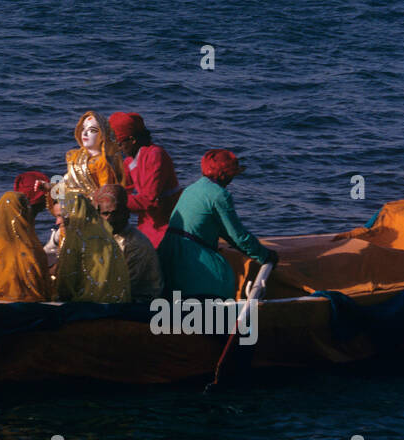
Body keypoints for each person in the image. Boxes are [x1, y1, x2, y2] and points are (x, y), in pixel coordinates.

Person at [160, 149, 279, 299]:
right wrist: (265, 255)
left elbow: (224, 231)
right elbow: (238, 236)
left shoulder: (191, 189)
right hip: (190, 257)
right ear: (224, 174)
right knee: (222, 280)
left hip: (168, 253)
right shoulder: (219, 195)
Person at [109, 112, 181, 249]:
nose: (118, 149)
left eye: (119, 144)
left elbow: (149, 201)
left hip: (165, 224)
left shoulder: (155, 155)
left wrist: (115, 201)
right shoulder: (130, 160)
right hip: (147, 223)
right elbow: (122, 188)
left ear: (132, 140)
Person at [54, 191, 132, 303]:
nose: (57, 222)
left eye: (61, 216)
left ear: (72, 214)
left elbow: (65, 285)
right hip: (116, 304)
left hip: (88, 308)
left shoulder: (75, 240)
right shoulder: (105, 235)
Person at [93, 184, 162, 302]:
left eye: (115, 213)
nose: (110, 219)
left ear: (126, 213)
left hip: (141, 305)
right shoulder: (103, 238)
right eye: (105, 214)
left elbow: (122, 289)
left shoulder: (136, 245)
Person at [63, 111, 124, 201]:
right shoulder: (75, 157)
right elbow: (68, 184)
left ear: (102, 135)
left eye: (92, 130)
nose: (85, 133)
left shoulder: (102, 162)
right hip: (73, 205)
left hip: (93, 208)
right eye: (83, 129)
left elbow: (105, 193)